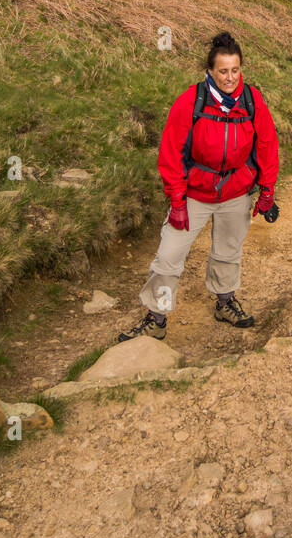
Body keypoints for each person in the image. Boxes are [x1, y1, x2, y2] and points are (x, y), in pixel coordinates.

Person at [118, 31, 279, 341]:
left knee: (227, 253)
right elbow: (170, 154)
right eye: (223, 71)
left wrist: (267, 191)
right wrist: (177, 201)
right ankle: (156, 318)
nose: (230, 78)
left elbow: (268, 146)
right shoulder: (190, 102)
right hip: (195, 195)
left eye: (235, 70)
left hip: (236, 192)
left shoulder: (253, 100)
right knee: (168, 257)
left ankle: (225, 303)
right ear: (210, 70)